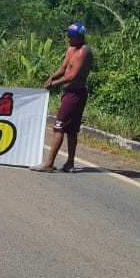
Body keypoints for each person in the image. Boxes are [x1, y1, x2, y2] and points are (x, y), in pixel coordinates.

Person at [34, 22, 94, 173]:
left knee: (59, 127)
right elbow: (63, 68)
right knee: (71, 130)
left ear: (80, 37)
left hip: (76, 94)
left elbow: (73, 76)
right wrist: (51, 78)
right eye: (68, 35)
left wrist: (54, 84)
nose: (68, 39)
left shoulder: (84, 51)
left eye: (71, 36)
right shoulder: (71, 50)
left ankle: (49, 163)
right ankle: (69, 164)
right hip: (68, 93)